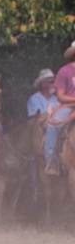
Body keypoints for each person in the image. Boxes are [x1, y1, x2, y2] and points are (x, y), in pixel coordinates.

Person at [44, 41, 75, 175]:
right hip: (69, 105)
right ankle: (51, 161)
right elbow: (60, 96)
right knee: (53, 125)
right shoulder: (65, 71)